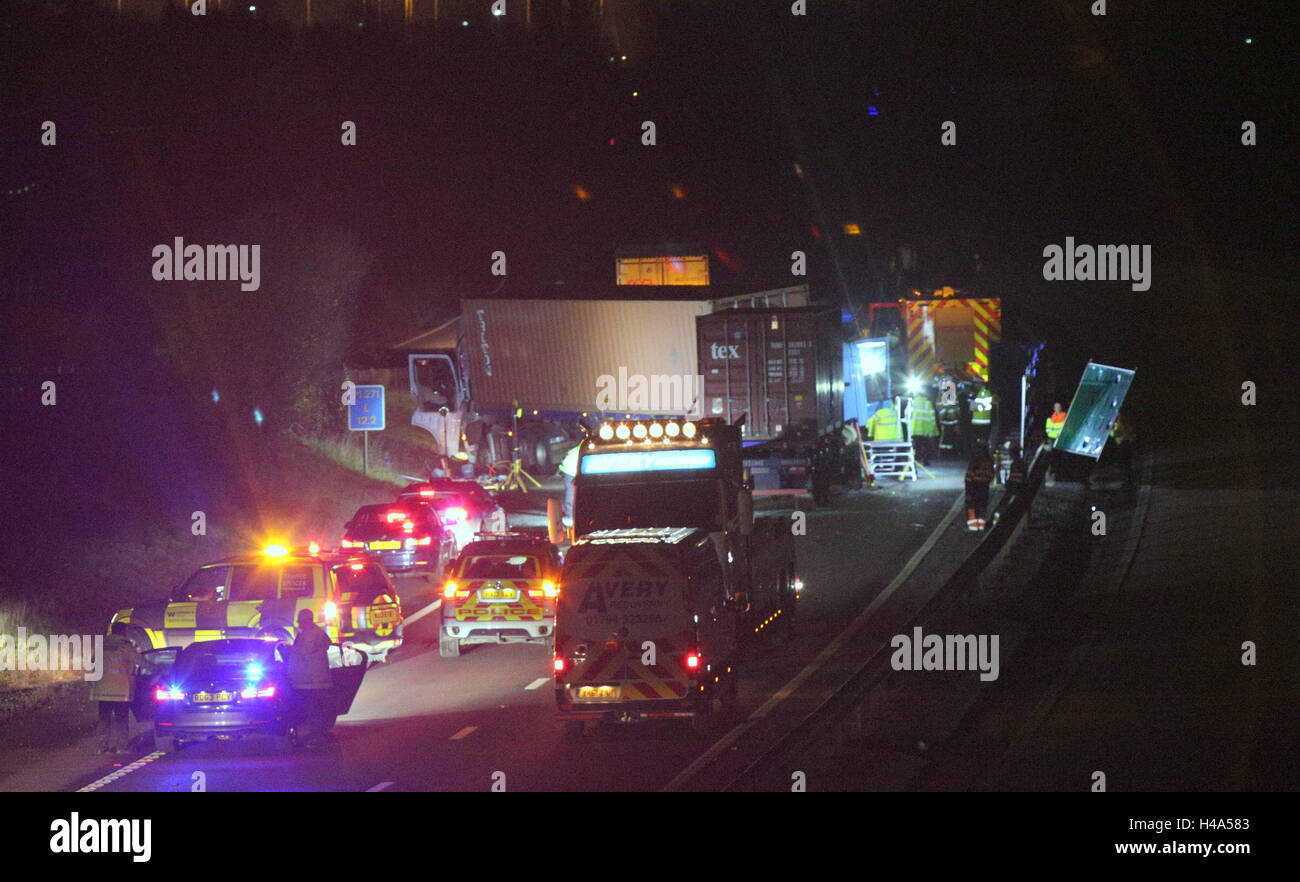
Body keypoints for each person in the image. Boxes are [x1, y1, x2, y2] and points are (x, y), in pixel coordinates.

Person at [286, 609, 333, 748]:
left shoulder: (310, 635)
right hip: (313, 681)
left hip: (311, 682)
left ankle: (316, 738)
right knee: (315, 711)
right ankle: (317, 736)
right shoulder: (315, 634)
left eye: (301, 621)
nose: (299, 624)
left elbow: (303, 653)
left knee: (313, 711)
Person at [91, 622, 141, 754]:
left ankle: (101, 747)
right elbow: (141, 661)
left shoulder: (102, 645)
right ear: (123, 632)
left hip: (102, 690)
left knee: (104, 719)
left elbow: (92, 663)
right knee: (121, 719)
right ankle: (121, 747)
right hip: (121, 691)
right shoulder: (126, 646)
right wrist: (158, 668)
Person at [964, 447, 995, 531]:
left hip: (974, 487)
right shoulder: (989, 462)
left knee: (972, 506)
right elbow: (991, 475)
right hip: (984, 487)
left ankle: (973, 527)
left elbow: (969, 477)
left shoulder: (974, 462)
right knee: (982, 506)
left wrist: (968, 492)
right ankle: (981, 526)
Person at [908, 394, 939, 467]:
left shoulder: (912, 402)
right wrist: (933, 428)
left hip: (915, 429)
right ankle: (925, 461)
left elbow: (907, 414)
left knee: (916, 445)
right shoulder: (928, 403)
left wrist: (909, 425)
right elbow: (932, 416)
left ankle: (915, 460)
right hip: (926, 429)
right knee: (926, 446)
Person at [557, 441, 581, 528]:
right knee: (571, 493)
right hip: (570, 470)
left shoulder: (580, 448)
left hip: (572, 468)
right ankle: (569, 516)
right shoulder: (584, 450)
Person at [970, 384, 993, 453]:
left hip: (979, 423)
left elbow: (972, 408)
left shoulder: (980, 393)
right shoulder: (986, 393)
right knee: (982, 440)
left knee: (980, 441)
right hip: (984, 422)